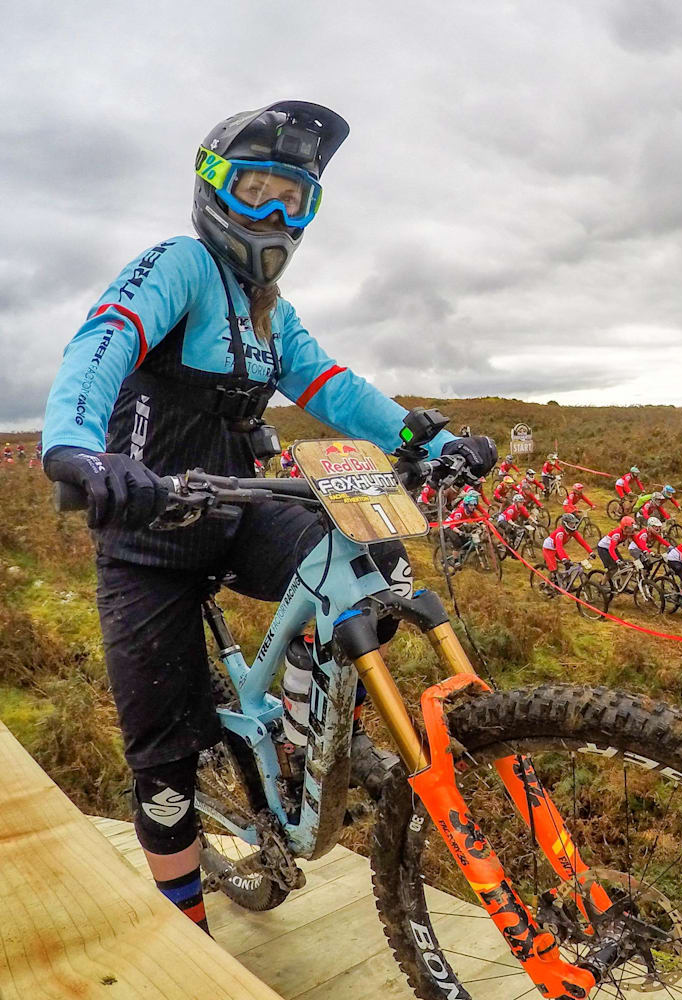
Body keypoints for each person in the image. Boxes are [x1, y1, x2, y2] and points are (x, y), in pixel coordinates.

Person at [39, 101, 499, 936]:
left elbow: (329, 383)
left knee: (371, 561)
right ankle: (192, 936)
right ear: (214, 190)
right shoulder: (180, 265)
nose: (279, 216)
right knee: (165, 764)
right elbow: (103, 338)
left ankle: (296, 731)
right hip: (146, 539)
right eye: (260, 192)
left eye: (298, 199)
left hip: (239, 510)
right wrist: (77, 447)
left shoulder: (269, 310)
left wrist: (417, 435)